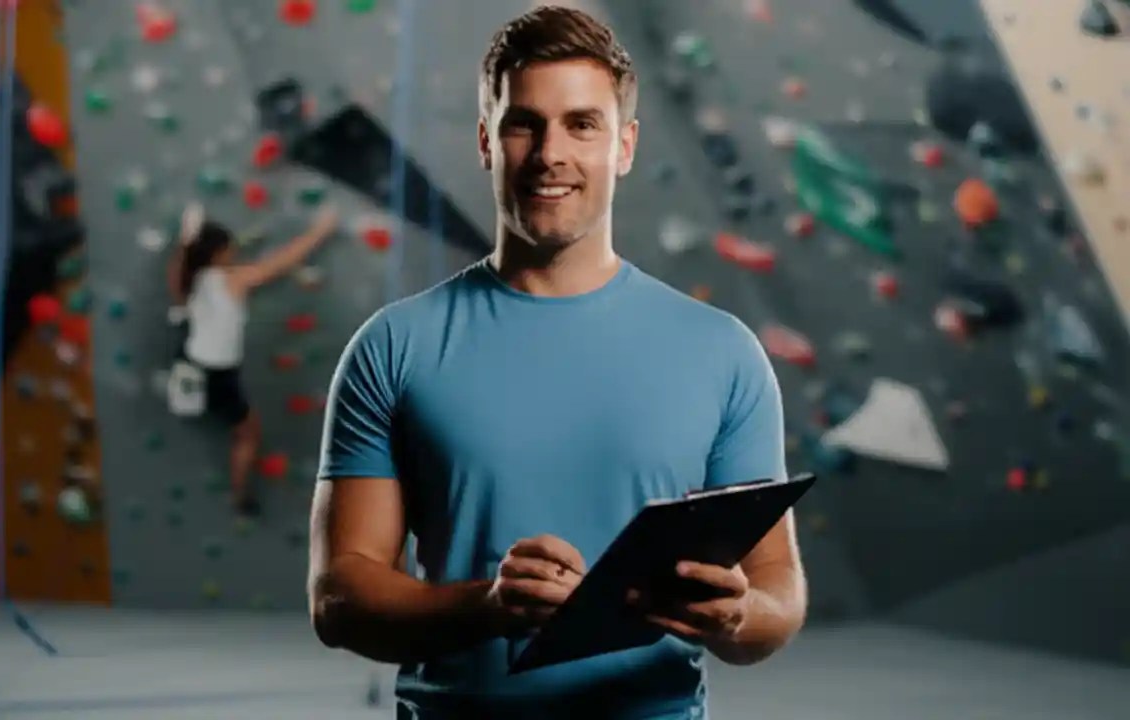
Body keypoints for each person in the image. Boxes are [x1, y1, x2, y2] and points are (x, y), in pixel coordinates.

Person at [308, 6, 806, 718]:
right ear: (487, 140)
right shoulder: (393, 347)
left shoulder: (723, 352)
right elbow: (339, 596)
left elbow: (777, 595)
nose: (550, 154)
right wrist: (488, 605)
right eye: (523, 124)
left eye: (582, 124)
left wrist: (736, 616)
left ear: (624, 145)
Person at [168, 203, 338, 517]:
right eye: (229, 248)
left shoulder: (191, 279)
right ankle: (240, 496)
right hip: (219, 374)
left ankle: (198, 407)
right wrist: (321, 231)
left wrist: (185, 237)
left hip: (192, 362)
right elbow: (283, 261)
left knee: (226, 416)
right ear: (218, 254)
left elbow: (179, 270)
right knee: (249, 433)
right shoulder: (234, 281)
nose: (234, 251)